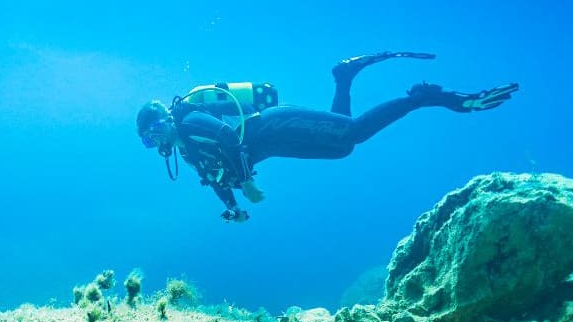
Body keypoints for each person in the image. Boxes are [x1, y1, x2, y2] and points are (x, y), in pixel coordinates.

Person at [135, 51, 518, 222]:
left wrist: (248, 183)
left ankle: (423, 98)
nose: (158, 141)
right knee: (343, 147)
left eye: (156, 131)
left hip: (274, 126)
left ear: (167, 119)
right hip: (275, 143)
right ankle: (344, 76)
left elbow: (225, 135)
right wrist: (233, 207)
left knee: (352, 133)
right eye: (149, 141)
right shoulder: (186, 152)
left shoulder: (187, 121)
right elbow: (214, 178)